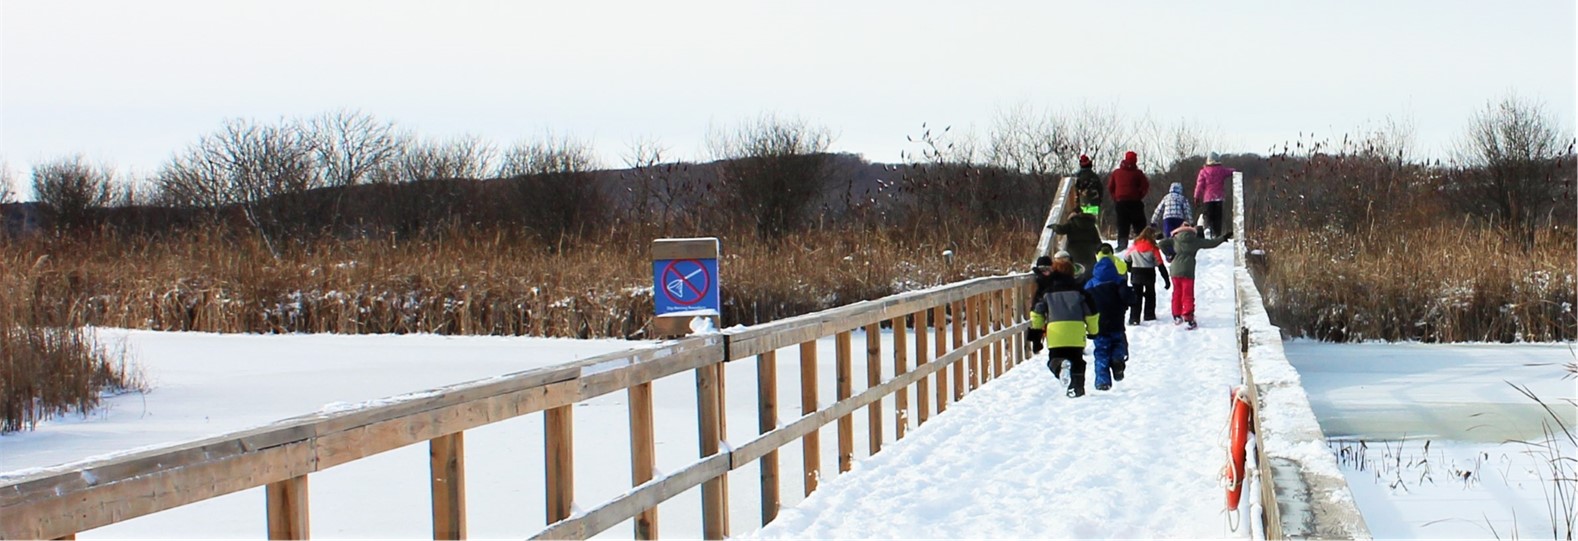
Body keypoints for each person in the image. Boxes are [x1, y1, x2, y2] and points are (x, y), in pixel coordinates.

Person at [1031, 257, 1099, 398]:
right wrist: (1093, 332)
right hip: (1076, 331)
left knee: (1054, 359)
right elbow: (1091, 314)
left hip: (1056, 332)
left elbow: (1037, 315)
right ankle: (1077, 389)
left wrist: (1036, 338)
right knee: (1078, 361)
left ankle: (1059, 365)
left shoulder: (1047, 291)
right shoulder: (1080, 291)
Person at [1157, 222, 1231, 330]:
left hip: (1175, 270)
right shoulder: (1195, 240)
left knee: (1177, 292)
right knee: (1187, 294)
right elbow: (1211, 243)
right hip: (1188, 270)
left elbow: (1161, 243)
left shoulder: (1175, 239)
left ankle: (1176, 315)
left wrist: (1169, 254)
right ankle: (1188, 317)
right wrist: (1223, 238)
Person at [1083, 257, 1135, 391]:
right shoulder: (1119, 282)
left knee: (1101, 352)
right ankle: (1117, 359)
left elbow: (1084, 301)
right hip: (1116, 322)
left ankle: (1102, 382)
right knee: (1118, 344)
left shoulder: (1090, 284)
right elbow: (1130, 298)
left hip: (1099, 324)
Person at [1122, 226, 1171, 324]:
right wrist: (1166, 280)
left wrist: (1129, 269)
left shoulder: (1134, 246)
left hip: (1136, 272)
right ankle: (1149, 315)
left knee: (1136, 296)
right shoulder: (1153, 248)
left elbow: (1126, 258)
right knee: (1150, 295)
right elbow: (1160, 264)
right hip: (1149, 273)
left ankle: (1134, 318)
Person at [1106, 150, 1150, 251]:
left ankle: (1122, 244)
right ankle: (1142, 243)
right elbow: (1145, 186)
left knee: (1122, 224)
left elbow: (1110, 187)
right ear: (1135, 160)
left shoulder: (1116, 173)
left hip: (1121, 202)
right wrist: (1139, 196)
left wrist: (1116, 197)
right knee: (1139, 224)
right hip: (1135, 202)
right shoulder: (1138, 173)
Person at [1048, 210, 1100, 281]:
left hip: (1074, 250)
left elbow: (1061, 229)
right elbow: (1097, 240)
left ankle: (1077, 283)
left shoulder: (1071, 223)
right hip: (1089, 251)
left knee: (1076, 269)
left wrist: (1053, 226)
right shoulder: (1091, 225)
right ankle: (1089, 283)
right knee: (1090, 269)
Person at [1195, 152, 1234, 239]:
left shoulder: (1203, 171)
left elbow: (1199, 185)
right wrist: (1235, 170)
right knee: (1218, 217)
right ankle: (1217, 234)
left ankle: (1208, 229)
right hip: (1219, 197)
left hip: (1208, 198)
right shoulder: (1222, 170)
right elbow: (1231, 171)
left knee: (1208, 215)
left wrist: (1196, 196)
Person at [1024, 254, 1056, 355]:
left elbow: (1047, 282)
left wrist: (1040, 275)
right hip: (1042, 300)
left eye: (1047, 269)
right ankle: (1036, 343)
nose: (1045, 272)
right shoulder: (1041, 278)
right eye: (1042, 269)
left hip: (1053, 300)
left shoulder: (1053, 278)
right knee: (1035, 314)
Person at [1150, 182, 1192, 258]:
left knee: (1168, 235)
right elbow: (1187, 210)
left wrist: (1154, 221)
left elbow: (1159, 209)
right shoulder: (1182, 198)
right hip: (1179, 219)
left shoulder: (1166, 197)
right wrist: (1190, 222)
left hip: (1168, 218)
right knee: (1178, 236)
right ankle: (1178, 251)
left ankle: (1169, 253)